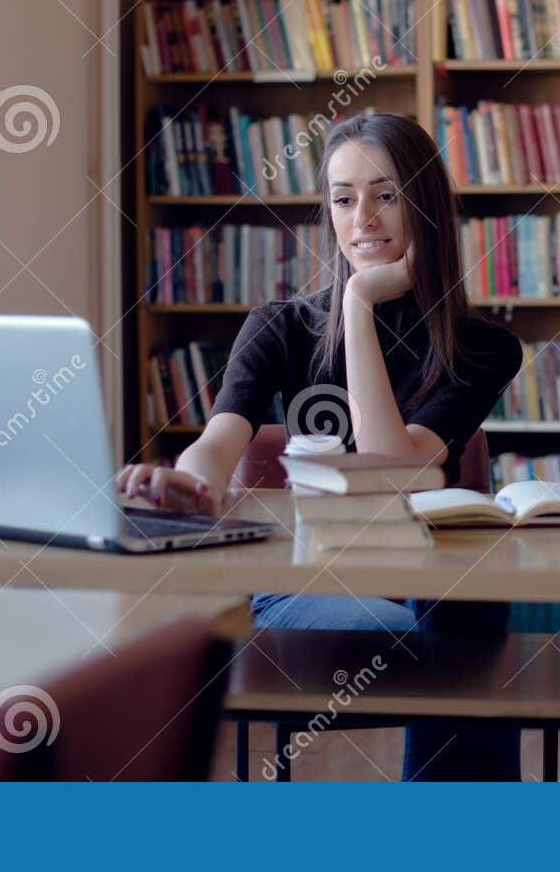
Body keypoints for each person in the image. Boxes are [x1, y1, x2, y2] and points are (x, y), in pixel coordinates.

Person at [117, 111, 524, 781]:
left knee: (465, 606)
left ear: (425, 206)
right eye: (343, 198)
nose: (362, 218)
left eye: (386, 194)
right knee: (468, 651)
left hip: (431, 587)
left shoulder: (483, 347)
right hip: (309, 585)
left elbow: (394, 466)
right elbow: (217, 443)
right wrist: (189, 483)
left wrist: (358, 305)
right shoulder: (277, 327)